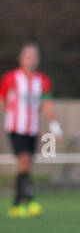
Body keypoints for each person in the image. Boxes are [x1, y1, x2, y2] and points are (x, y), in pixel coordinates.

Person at [4, 43, 61, 218]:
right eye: (28, 56)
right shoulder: (11, 78)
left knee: (26, 166)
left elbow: (47, 104)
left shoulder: (42, 81)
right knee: (24, 160)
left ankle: (16, 205)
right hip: (15, 127)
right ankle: (30, 200)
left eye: (34, 56)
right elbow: (3, 100)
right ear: (21, 58)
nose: (31, 60)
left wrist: (54, 125)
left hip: (33, 128)